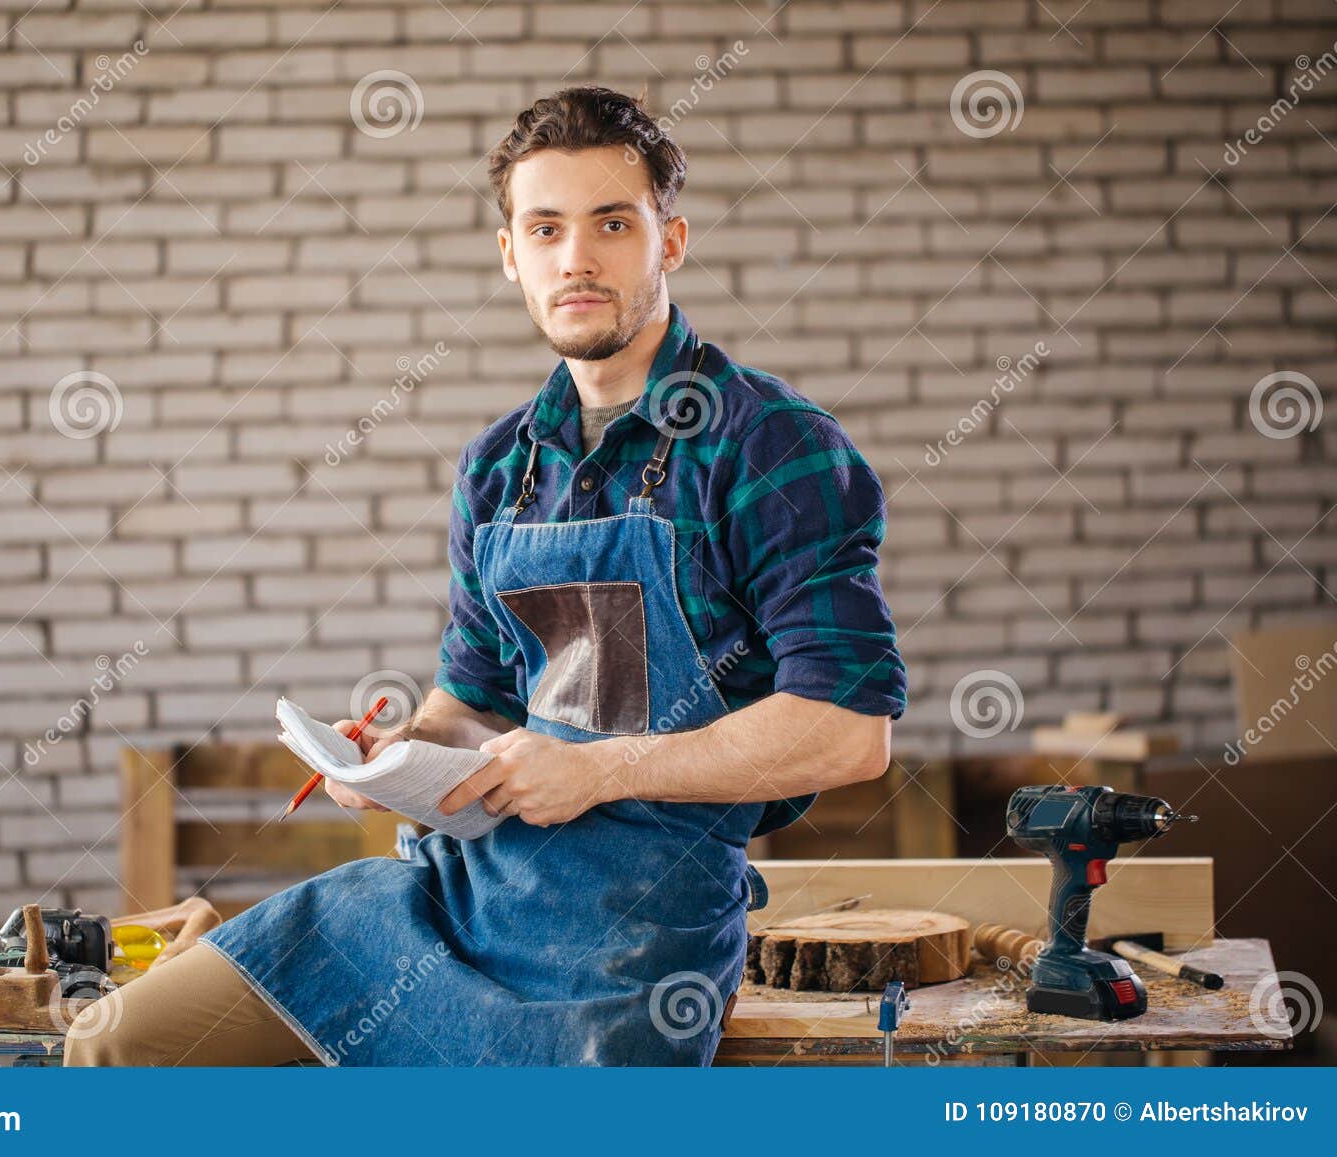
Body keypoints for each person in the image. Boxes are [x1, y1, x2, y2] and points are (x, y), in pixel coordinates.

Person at [65, 84, 906, 1068]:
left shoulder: (768, 444)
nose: (575, 258)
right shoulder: (500, 465)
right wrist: (398, 757)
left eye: (612, 224)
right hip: (442, 897)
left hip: (627, 942)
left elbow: (848, 730)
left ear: (669, 242)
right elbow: (470, 703)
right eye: (545, 229)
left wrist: (597, 768)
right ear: (511, 253)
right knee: (119, 1041)